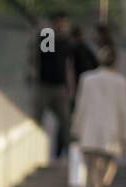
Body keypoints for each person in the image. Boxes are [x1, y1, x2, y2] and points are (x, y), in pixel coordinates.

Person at [70, 45, 126, 187]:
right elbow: (123, 110)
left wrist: (76, 129)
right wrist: (125, 136)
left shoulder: (87, 79)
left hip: (90, 128)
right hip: (111, 130)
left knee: (91, 168)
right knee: (107, 165)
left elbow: (80, 105)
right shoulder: (120, 82)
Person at [30, 10, 76, 158]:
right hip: (45, 85)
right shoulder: (47, 35)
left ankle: (69, 154)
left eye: (65, 23)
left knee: (66, 122)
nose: (63, 26)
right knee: (38, 119)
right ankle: (33, 152)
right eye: (60, 23)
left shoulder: (67, 42)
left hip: (60, 87)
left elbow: (68, 65)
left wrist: (70, 86)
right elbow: (45, 52)